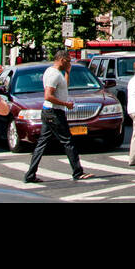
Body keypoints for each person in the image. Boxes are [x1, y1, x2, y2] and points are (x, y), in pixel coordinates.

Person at [23, 49, 93, 182]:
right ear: (61, 60)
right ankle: (77, 172)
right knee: (67, 141)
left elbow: (64, 87)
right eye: (68, 61)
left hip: (49, 111)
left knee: (42, 143)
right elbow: (48, 96)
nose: (69, 63)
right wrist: (65, 104)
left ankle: (30, 174)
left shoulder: (56, 73)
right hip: (54, 112)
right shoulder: (53, 74)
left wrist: (68, 73)